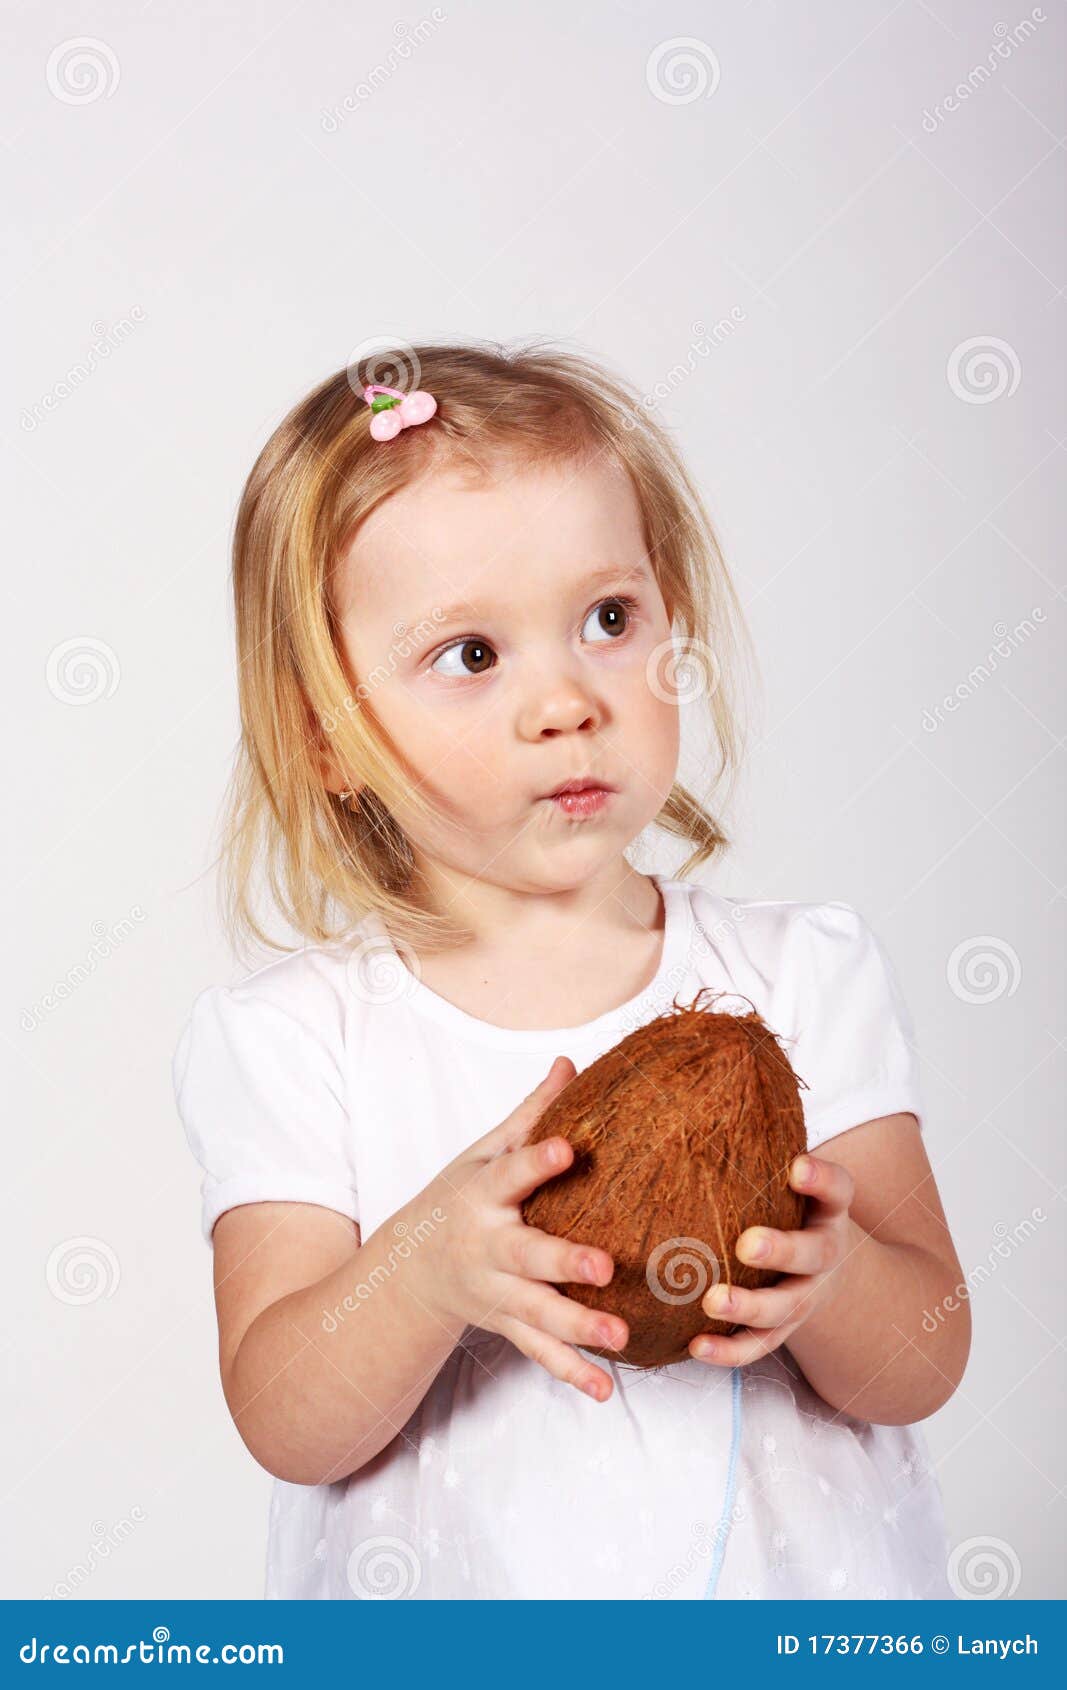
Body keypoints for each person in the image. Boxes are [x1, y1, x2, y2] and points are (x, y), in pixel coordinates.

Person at [171, 340, 969, 1599]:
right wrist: (427, 1268)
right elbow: (285, 1418)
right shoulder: (300, 1039)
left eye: (607, 619)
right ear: (328, 735)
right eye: (470, 654)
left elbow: (924, 1357)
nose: (565, 701)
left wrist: (833, 1282)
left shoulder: (800, 973)